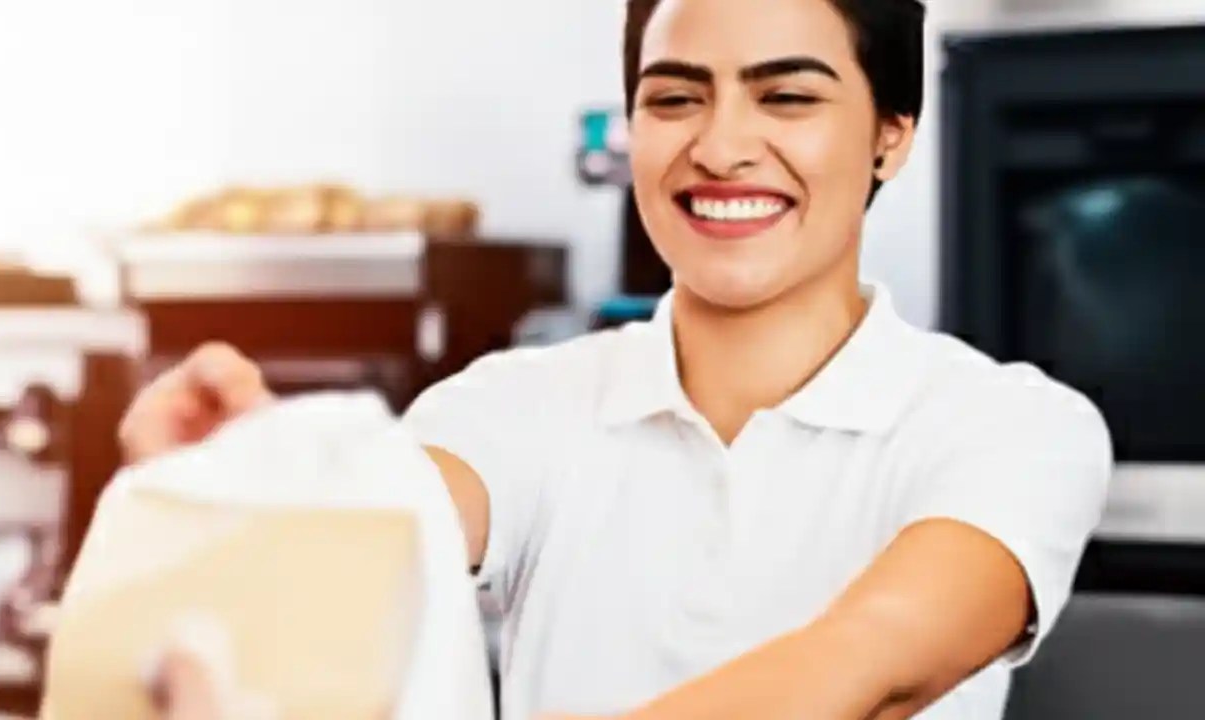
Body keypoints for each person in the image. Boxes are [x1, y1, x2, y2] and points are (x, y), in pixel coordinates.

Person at [125, 0, 1112, 718]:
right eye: (674, 97)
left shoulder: (1010, 428)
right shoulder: (518, 406)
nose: (721, 146)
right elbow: (374, 543)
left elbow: (864, 662)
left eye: (785, 98)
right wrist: (242, 486)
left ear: (889, 137)